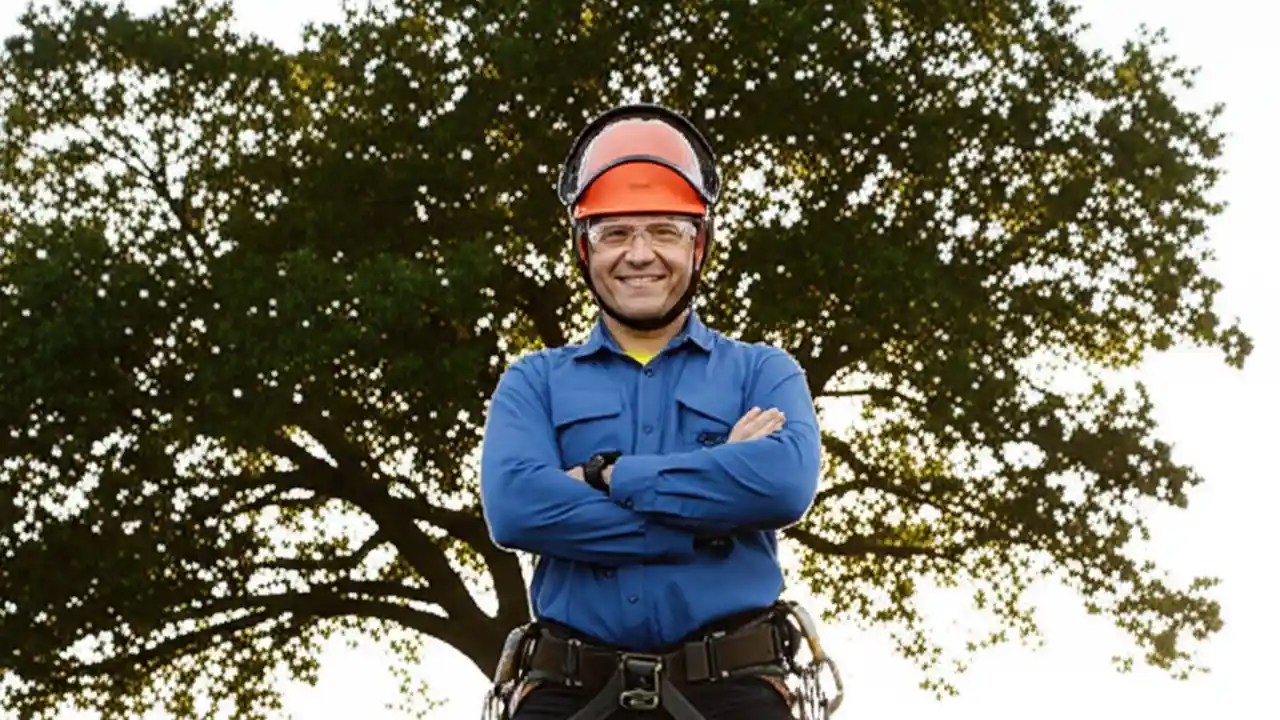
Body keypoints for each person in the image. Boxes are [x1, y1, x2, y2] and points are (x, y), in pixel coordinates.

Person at [480, 103, 822, 720]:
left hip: (735, 692)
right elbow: (515, 508)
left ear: (699, 246)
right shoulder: (533, 381)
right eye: (614, 233)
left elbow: (784, 485)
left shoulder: (764, 372)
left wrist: (605, 475)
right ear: (584, 250)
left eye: (664, 230)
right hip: (567, 694)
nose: (639, 254)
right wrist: (711, 513)